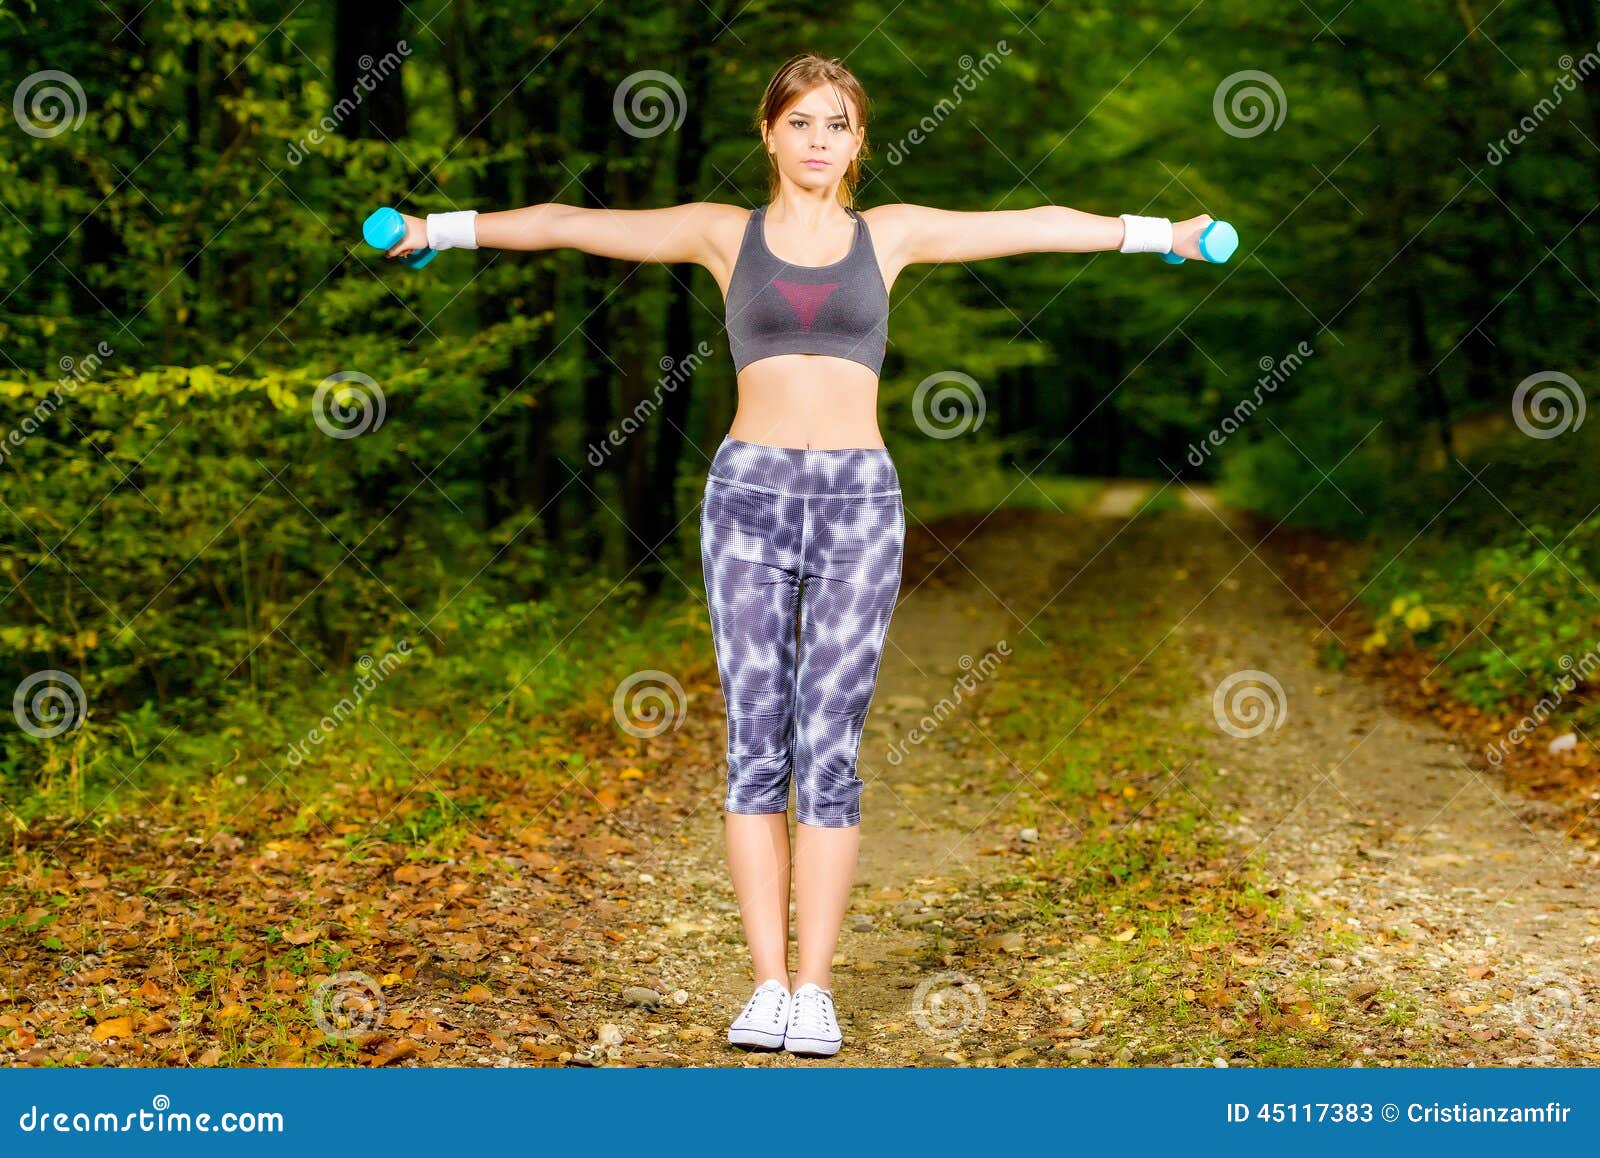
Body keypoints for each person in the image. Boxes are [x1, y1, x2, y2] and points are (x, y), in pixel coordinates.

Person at [381, 52, 1217, 1059]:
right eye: (801, 122)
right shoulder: (721, 235)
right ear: (768, 133)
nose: (820, 139)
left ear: (859, 142)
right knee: (753, 746)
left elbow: (1030, 225)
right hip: (748, 500)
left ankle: (815, 992)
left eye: (838, 124)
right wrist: (439, 230)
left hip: (859, 503)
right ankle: (766, 987)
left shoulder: (891, 235)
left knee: (830, 751)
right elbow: (572, 221)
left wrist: (1161, 236)